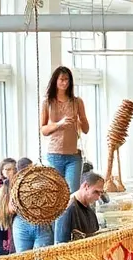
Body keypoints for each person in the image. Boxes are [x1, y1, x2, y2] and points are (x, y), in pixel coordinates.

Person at [40, 66, 90, 194]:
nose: (65, 83)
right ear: (55, 81)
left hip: (73, 155)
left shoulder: (77, 102)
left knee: (73, 192)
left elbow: (86, 129)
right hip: (54, 155)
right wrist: (59, 124)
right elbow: (43, 130)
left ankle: (71, 209)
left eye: (67, 79)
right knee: (56, 193)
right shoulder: (47, 103)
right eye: (62, 79)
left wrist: (80, 120)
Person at [10, 158, 54, 252]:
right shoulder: (14, 184)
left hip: (38, 222)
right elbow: (10, 209)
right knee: (36, 257)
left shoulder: (41, 182)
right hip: (26, 222)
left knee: (26, 258)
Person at [54, 171, 104, 244]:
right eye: (96, 192)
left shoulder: (90, 211)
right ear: (86, 186)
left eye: (100, 193)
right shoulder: (67, 209)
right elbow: (60, 245)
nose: (98, 197)